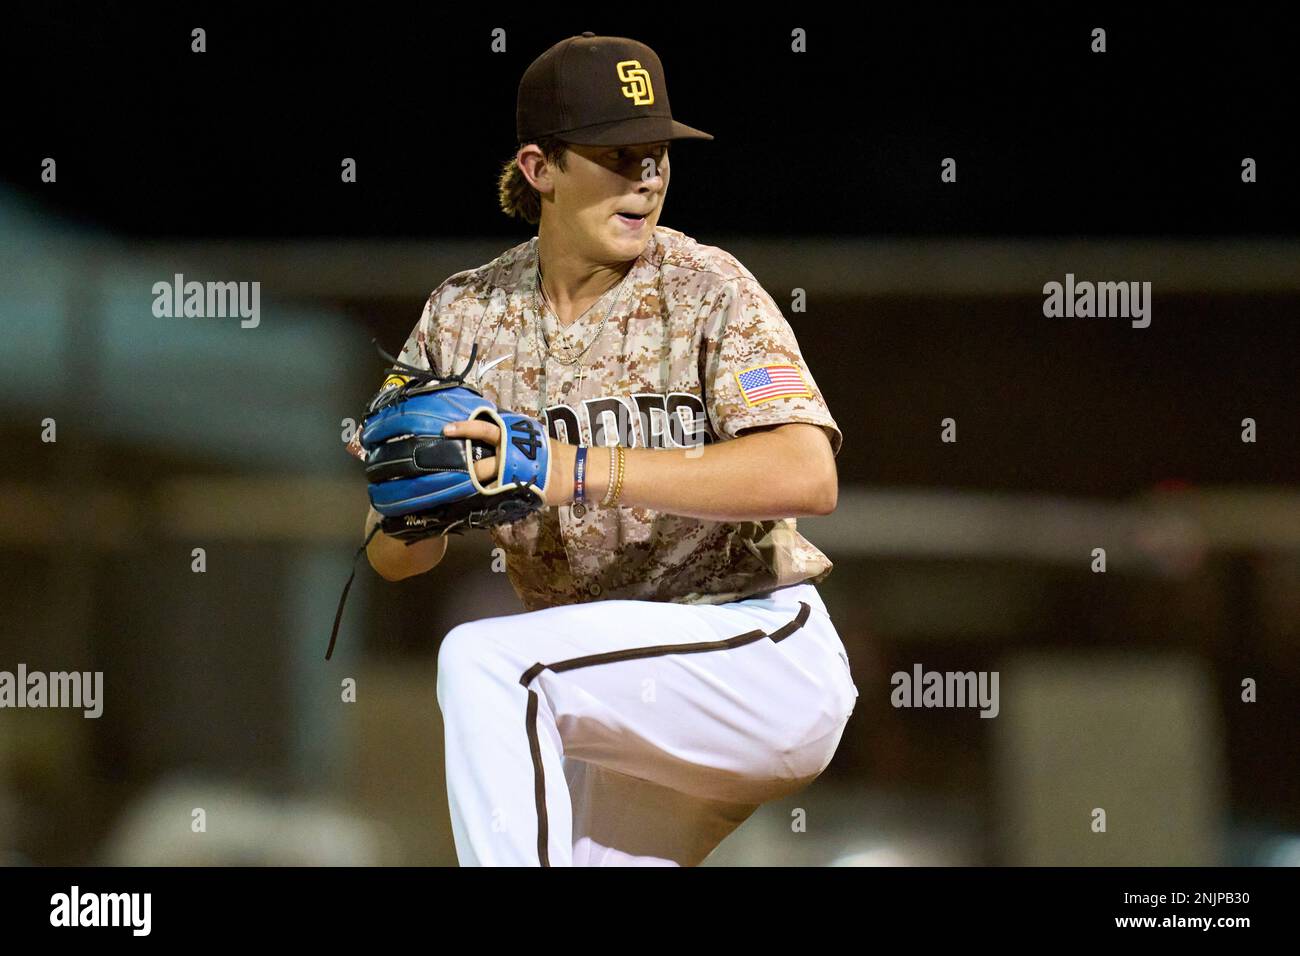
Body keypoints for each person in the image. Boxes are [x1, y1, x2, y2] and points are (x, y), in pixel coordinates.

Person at [348, 32, 858, 866]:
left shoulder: (703, 287)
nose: (648, 176)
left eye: (657, 154)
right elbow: (394, 558)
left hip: (756, 651)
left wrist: (574, 469)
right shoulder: (463, 315)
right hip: (624, 703)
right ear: (540, 167)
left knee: (485, 662)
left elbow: (807, 473)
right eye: (618, 155)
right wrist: (408, 509)